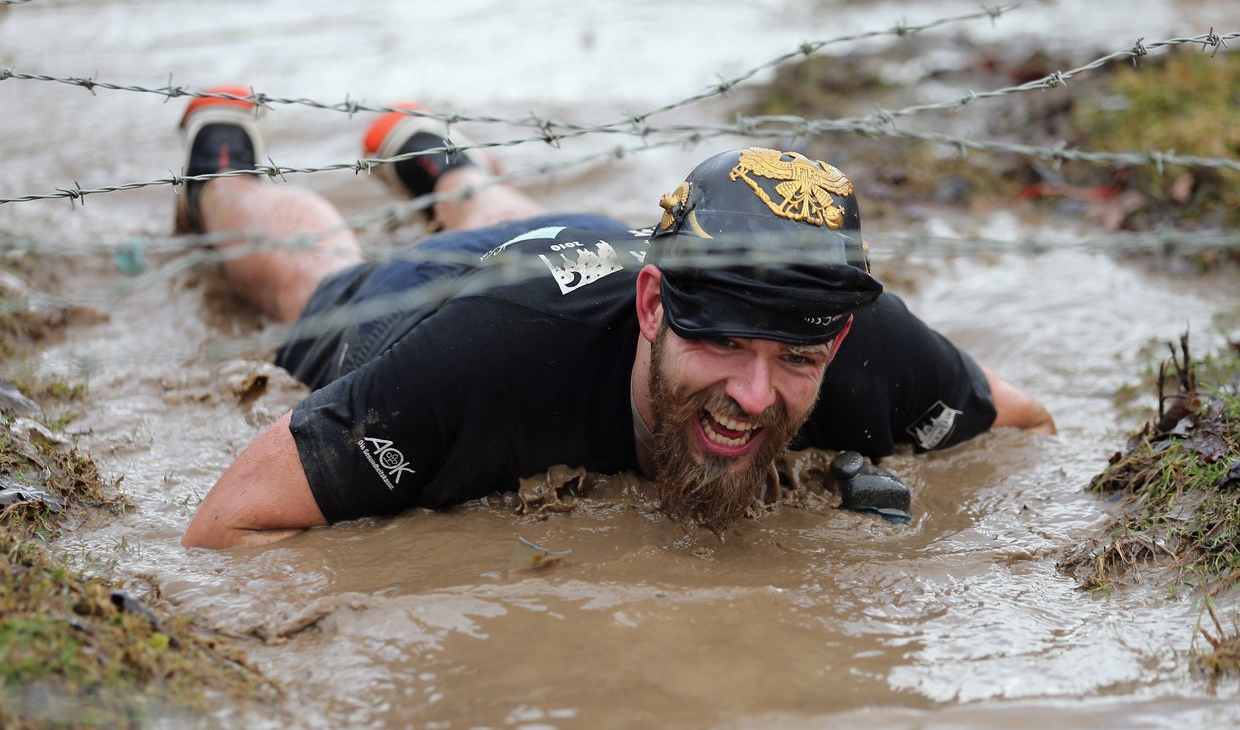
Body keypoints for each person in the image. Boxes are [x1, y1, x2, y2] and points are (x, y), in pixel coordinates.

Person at [178, 86, 1055, 549]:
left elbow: (1026, 427)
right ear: (654, 304)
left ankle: (438, 161)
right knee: (312, 272)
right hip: (435, 299)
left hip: (582, 242)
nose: (755, 395)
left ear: (840, 340)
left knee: (506, 213)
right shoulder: (484, 360)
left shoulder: (865, 342)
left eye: (796, 358)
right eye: (723, 341)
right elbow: (228, 522)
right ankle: (220, 162)